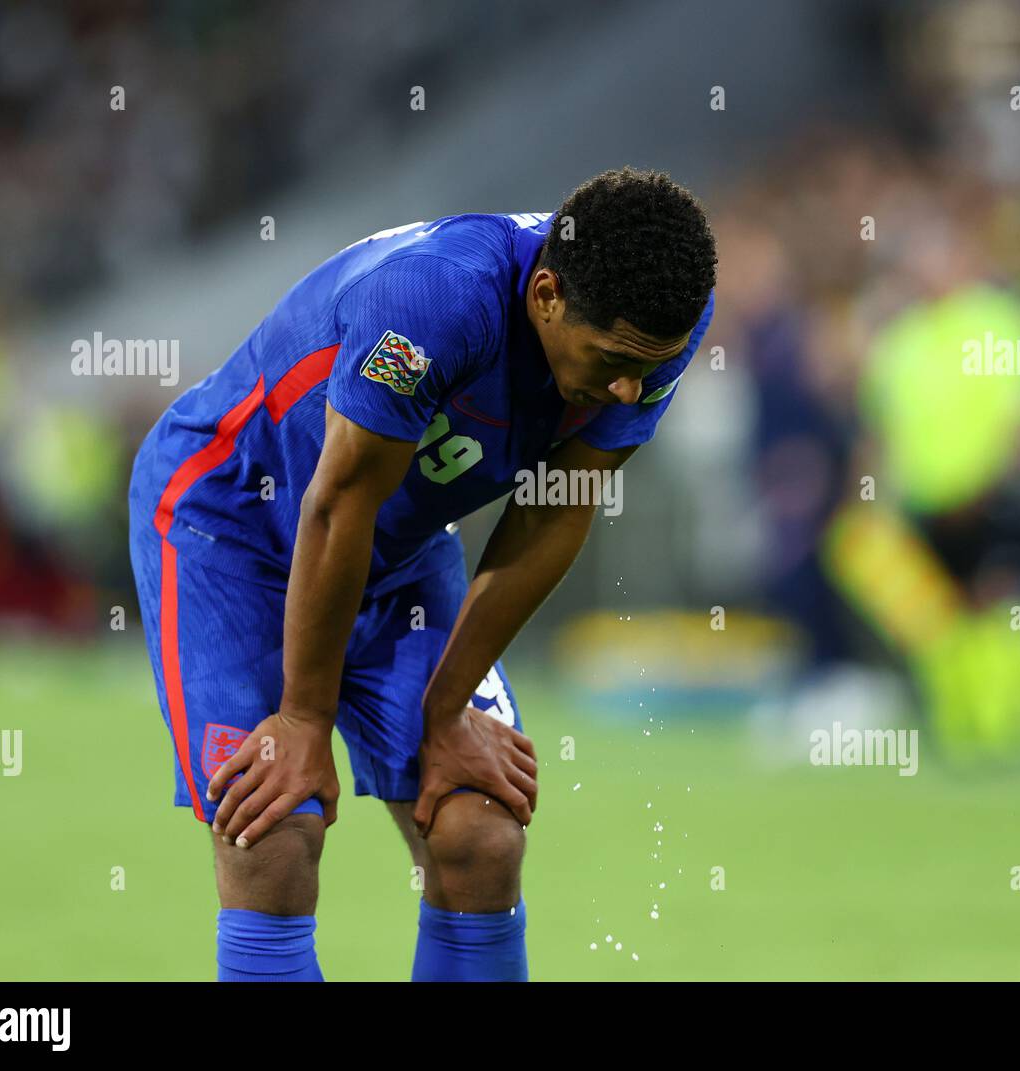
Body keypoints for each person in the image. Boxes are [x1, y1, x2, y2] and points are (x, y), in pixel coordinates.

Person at [127, 167, 717, 981]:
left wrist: (448, 709)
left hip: (394, 540)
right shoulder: (433, 305)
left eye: (646, 369)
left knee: (480, 829)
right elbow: (334, 508)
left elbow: (556, 507)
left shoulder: (658, 321)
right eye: (613, 361)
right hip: (229, 528)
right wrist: (302, 720)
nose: (629, 388)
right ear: (544, 294)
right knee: (273, 833)